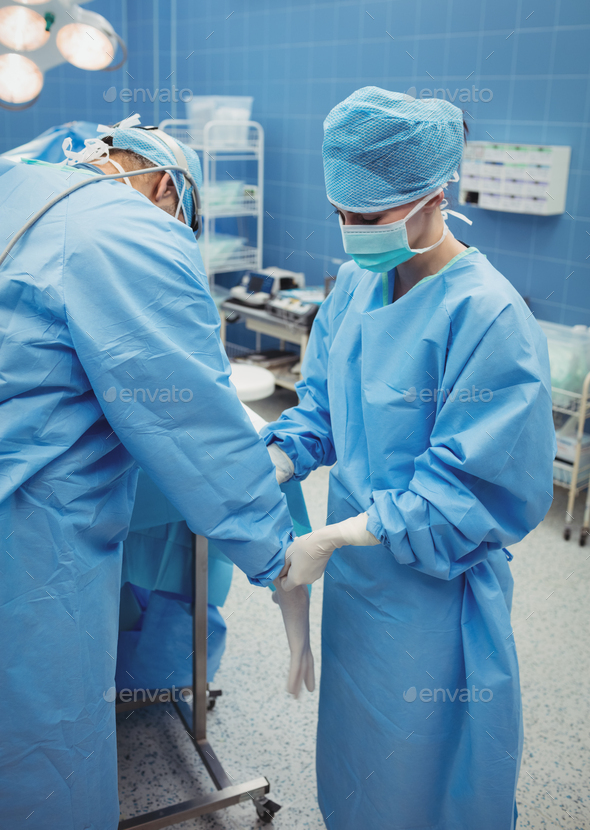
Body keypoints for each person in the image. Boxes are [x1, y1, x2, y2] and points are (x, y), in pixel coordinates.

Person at [0, 117, 314, 830]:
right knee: (32, 732)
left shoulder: (17, 185)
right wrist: (278, 557)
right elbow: (195, 421)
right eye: (185, 221)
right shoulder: (130, 231)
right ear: (167, 187)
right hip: (23, 534)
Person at [263, 88, 556, 830]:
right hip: (360, 591)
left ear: (436, 196)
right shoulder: (358, 282)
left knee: (422, 782)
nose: (353, 231)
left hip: (434, 597)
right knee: (357, 771)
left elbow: (470, 492)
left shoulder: (488, 316)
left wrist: (333, 535)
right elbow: (324, 403)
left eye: (372, 215)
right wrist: (282, 457)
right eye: (343, 213)